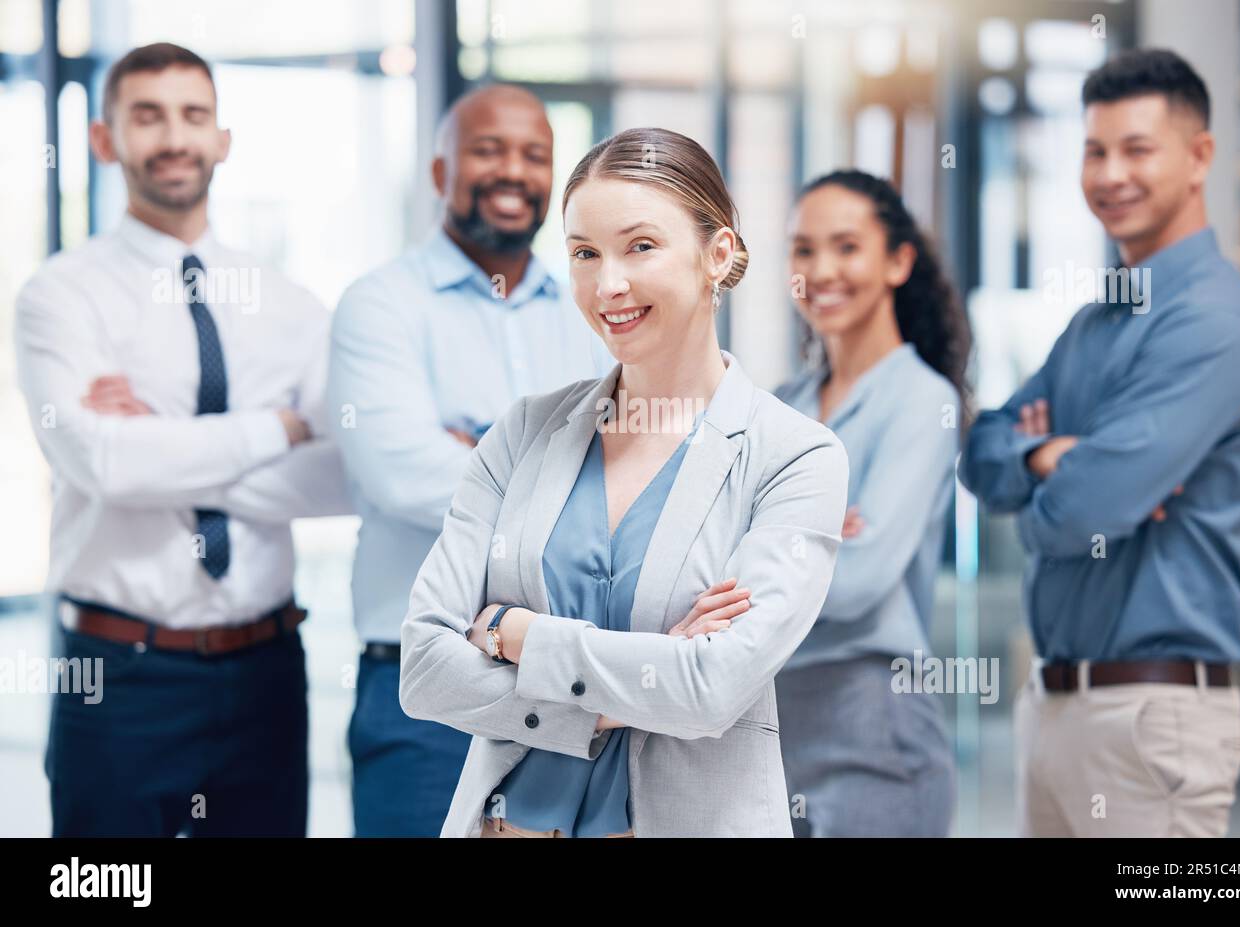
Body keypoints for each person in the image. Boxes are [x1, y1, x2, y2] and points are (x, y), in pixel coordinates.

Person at [397, 126, 850, 837]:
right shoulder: (523, 434)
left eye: (640, 246)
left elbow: (710, 689)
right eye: (584, 253)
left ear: (717, 254)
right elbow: (424, 667)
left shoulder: (794, 456)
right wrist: (634, 684)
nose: (608, 284)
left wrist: (515, 632)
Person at [14, 43, 351, 837]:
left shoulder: (291, 304)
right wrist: (281, 427)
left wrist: (163, 451)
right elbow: (99, 459)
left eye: (193, 115)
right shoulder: (60, 295)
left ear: (222, 139)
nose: (174, 137)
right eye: (148, 115)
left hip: (267, 667)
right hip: (120, 672)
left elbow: (343, 474)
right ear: (104, 139)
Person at [959, 48, 1240, 837]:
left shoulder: (1211, 321)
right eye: (1095, 150)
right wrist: (1045, 456)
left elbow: (1080, 513)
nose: (1110, 174)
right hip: (1058, 704)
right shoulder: (1096, 321)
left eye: (1137, 148)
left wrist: (1051, 495)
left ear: (1201, 156)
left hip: (1153, 720)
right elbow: (980, 452)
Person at [327, 84, 612, 836]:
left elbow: (642, 463)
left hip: (568, 678)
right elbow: (403, 475)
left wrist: (482, 450)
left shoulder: (592, 309)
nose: (513, 170)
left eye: (535, 155)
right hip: (424, 688)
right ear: (439, 169)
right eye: (488, 150)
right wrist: (575, 469)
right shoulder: (380, 305)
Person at [774, 170, 968, 837]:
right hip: (770, 727)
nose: (822, 269)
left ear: (897, 261)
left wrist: (761, 534)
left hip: (875, 720)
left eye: (847, 247)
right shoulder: (782, 406)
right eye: (803, 250)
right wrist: (809, 534)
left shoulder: (923, 400)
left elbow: (856, 581)